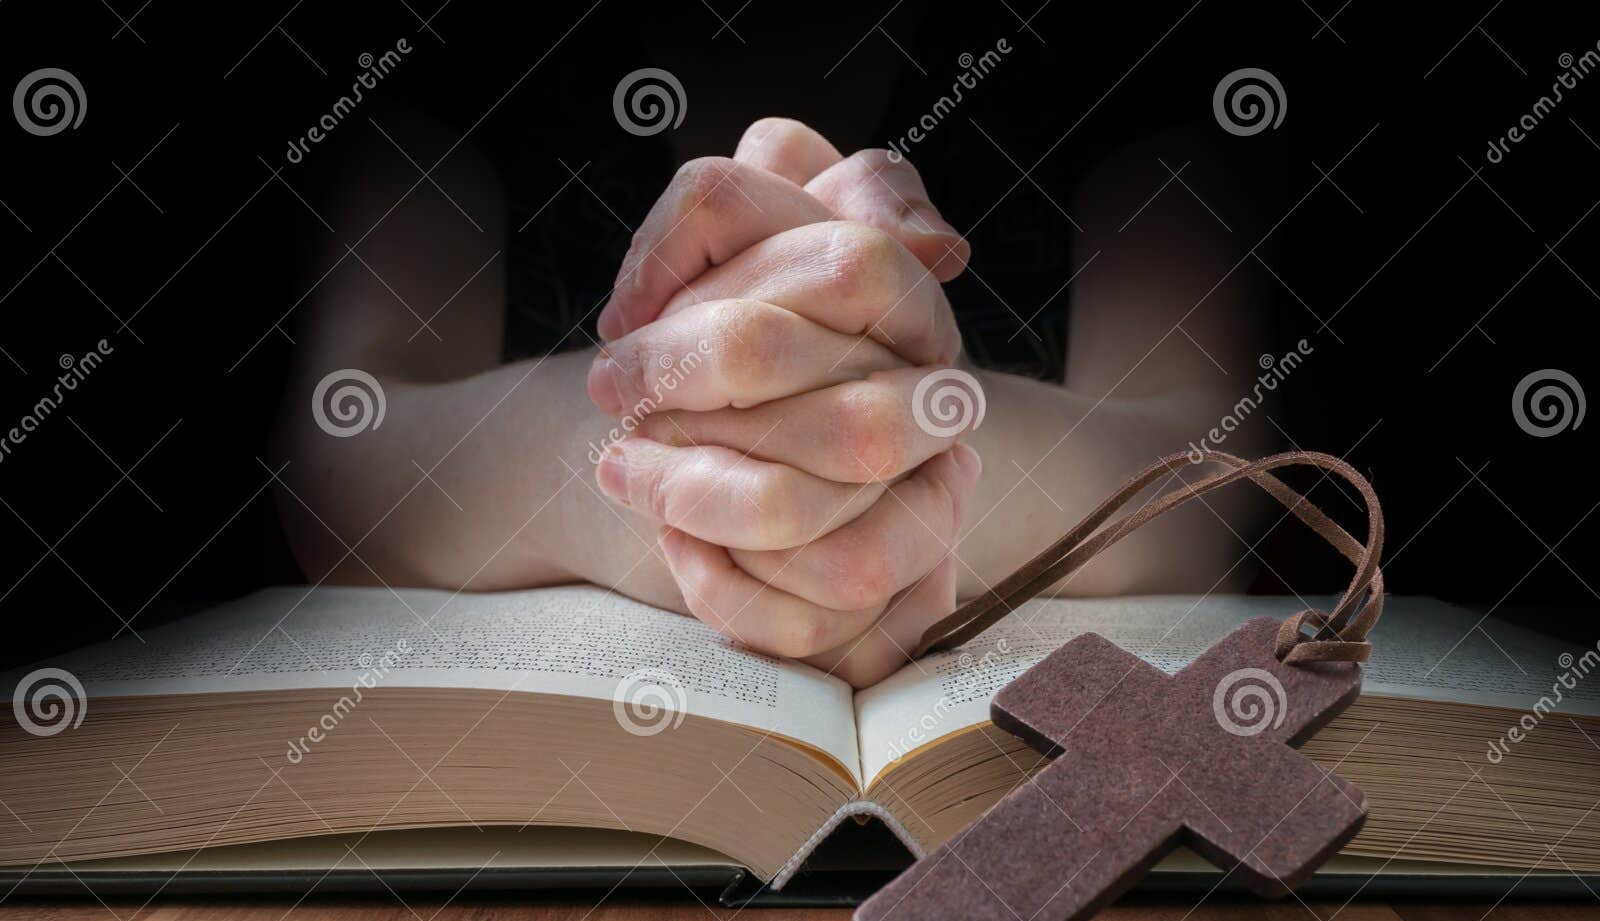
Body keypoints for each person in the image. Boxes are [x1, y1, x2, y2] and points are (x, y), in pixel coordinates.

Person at [273, 36, 1272, 688]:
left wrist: (888, 449)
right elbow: (337, 452)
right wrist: (653, 468)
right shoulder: (453, 49)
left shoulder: (1122, 51)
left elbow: (1215, 476)